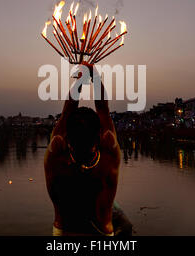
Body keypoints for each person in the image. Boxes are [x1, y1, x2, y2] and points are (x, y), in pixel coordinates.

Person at [44, 62, 132, 236]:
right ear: (99, 137)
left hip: (65, 234)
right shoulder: (108, 154)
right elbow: (102, 108)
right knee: (123, 223)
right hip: (101, 234)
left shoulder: (56, 155)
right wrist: (93, 75)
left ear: (66, 138)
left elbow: (67, 111)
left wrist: (80, 80)